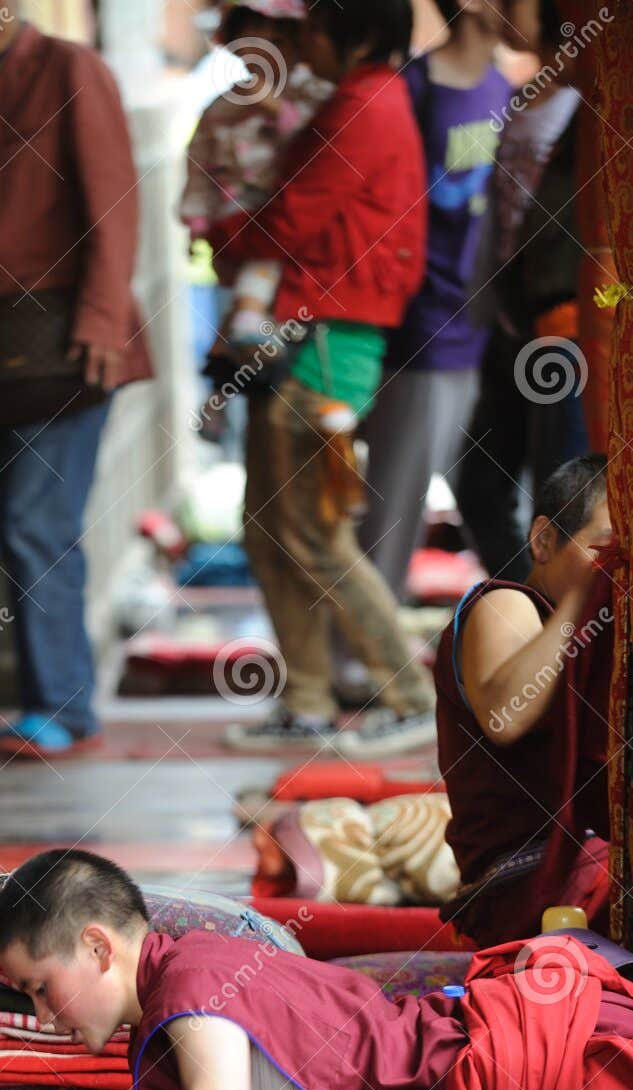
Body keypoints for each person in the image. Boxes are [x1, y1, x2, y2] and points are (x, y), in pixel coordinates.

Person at [0, 849, 633, 1090]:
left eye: (41, 987)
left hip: (546, 1075)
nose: (42, 1016)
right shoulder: (188, 966)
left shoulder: (189, 987)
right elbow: (194, 1085)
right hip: (515, 1041)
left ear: (98, 949)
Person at [0, 0, 153, 760]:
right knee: (25, 523)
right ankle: (50, 702)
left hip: (66, 337)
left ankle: (62, 707)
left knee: (36, 523)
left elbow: (115, 200)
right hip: (10, 344)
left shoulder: (68, 68)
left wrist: (98, 320)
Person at [218, 0, 437, 756]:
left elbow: (293, 218)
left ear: (357, 34)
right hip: (310, 335)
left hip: (322, 342)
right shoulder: (361, 99)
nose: (298, 39)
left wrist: (217, 237)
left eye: (311, 26)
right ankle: (305, 699)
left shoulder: (363, 104)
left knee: (314, 532)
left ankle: (408, 695)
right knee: (267, 529)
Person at [358, 0, 510, 601]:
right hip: (423, 326)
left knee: (483, 494)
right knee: (393, 502)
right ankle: (360, 659)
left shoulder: (505, 85)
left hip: (490, 325)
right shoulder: (413, 88)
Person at [436, 454, 613, 946]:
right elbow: (505, 717)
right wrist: (587, 592)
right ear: (544, 539)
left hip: (594, 866)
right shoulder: (506, 602)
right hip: (525, 881)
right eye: (605, 548)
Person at [453, 0, 588, 582]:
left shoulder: (591, 108)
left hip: (564, 323)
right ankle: (522, 603)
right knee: (481, 484)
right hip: (510, 317)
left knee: (558, 489)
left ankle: (555, 631)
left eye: (517, 7)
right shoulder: (518, 97)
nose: (504, 15)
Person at [180, 2, 324, 350]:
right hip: (230, 221)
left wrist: (276, 108)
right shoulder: (220, 108)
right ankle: (227, 363)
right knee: (231, 302)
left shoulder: (314, 93)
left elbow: (321, 143)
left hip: (284, 222)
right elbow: (198, 164)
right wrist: (196, 221)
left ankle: (238, 337)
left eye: (276, 43)